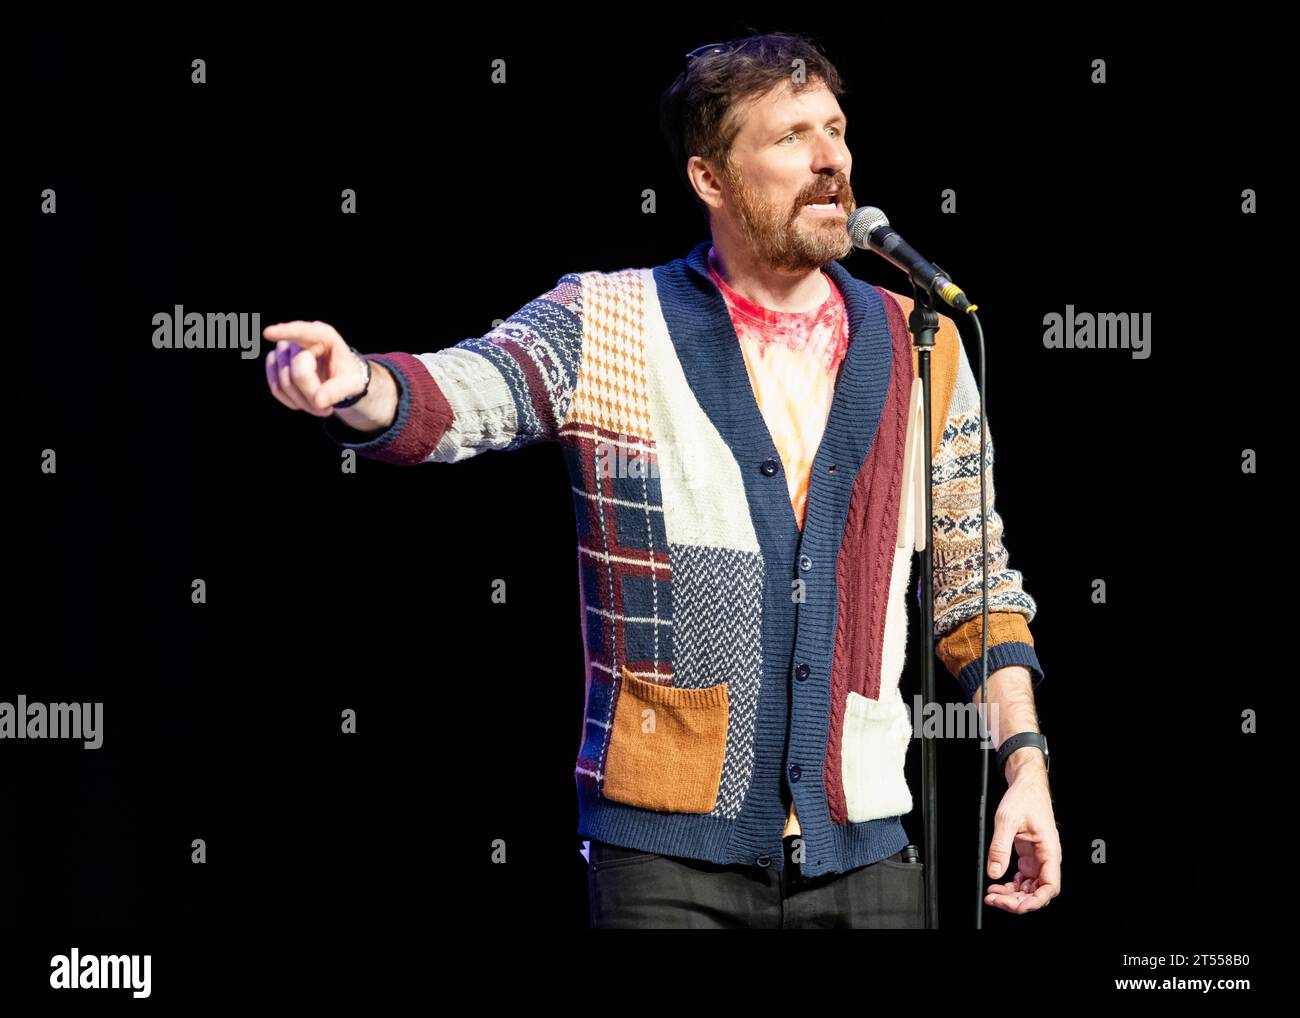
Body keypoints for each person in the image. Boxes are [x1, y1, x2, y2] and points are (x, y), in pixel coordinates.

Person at [261, 32, 1061, 929]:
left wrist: (1025, 765)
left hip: (865, 853)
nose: (831, 159)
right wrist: (361, 384)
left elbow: (974, 589)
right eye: (791, 136)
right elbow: (474, 391)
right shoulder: (611, 320)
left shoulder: (922, 346)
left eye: (836, 130)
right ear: (710, 179)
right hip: (666, 864)